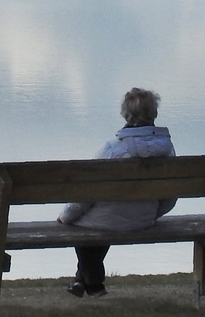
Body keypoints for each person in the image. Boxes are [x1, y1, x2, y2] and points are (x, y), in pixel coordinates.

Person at [56, 87, 175, 298]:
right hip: (143, 220)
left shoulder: (111, 150)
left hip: (108, 222)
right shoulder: (168, 149)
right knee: (103, 219)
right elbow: (170, 197)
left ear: (126, 114)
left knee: (82, 222)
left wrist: (65, 217)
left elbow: (85, 196)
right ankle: (83, 280)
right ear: (154, 114)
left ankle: (92, 282)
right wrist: (151, 214)